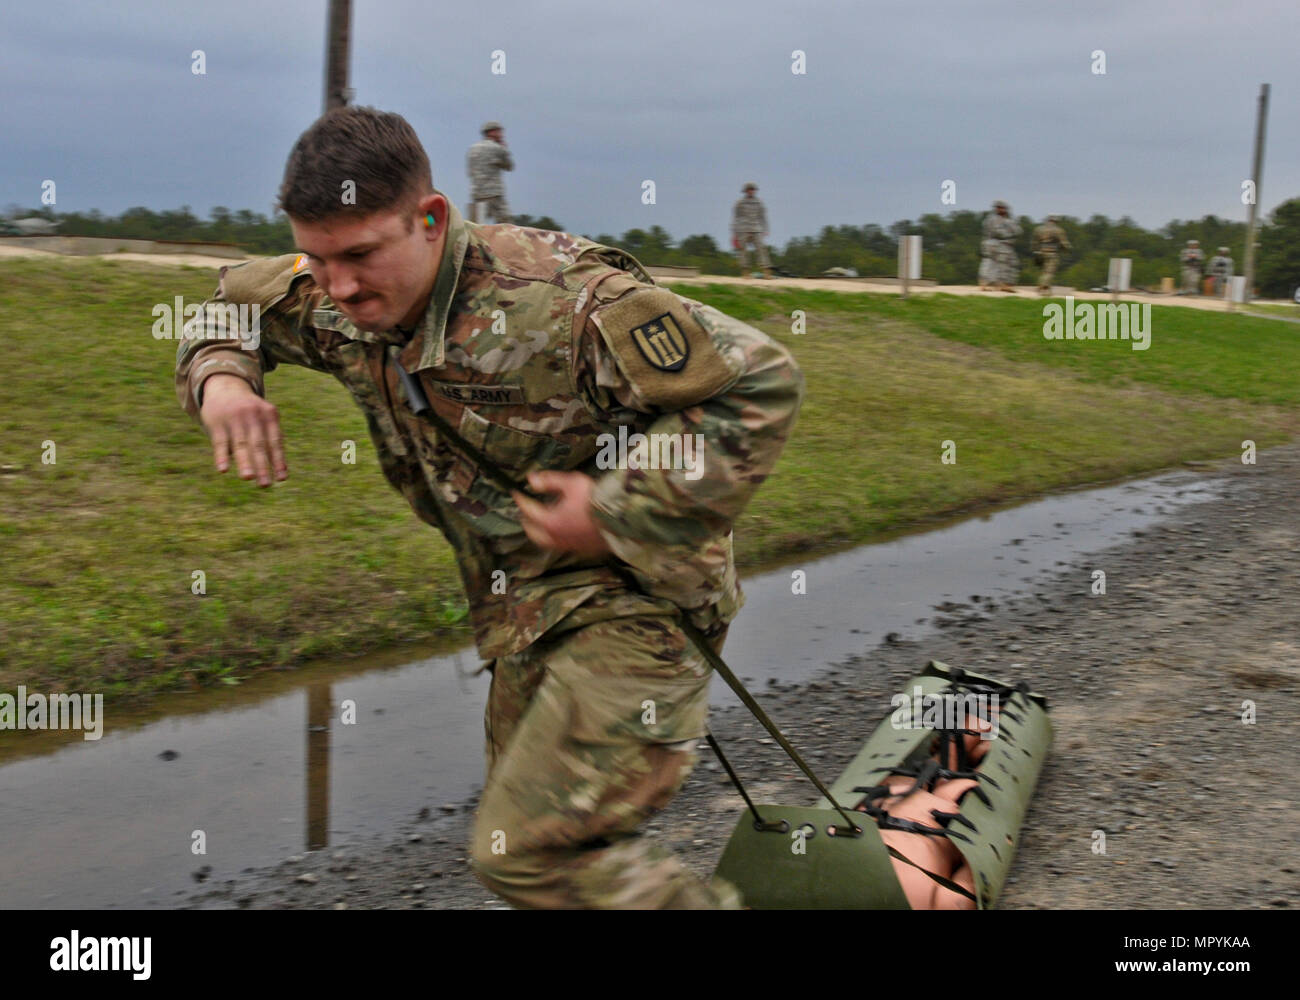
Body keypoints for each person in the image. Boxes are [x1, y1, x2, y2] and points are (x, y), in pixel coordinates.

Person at [173, 106, 804, 909]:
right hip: (524, 611)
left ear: (431, 219)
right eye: (319, 258)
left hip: (639, 602)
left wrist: (619, 509)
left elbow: (759, 381)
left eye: (362, 255)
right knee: (534, 849)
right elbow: (225, 303)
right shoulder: (333, 295)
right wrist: (223, 381)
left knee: (530, 855)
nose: (339, 287)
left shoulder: (564, 300)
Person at [466, 120, 513, 224]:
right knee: (506, 226)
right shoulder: (497, 148)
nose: (501, 135)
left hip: (477, 194)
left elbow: (469, 172)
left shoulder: (472, 149)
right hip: (495, 195)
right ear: (492, 132)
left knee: (475, 227)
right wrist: (505, 149)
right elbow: (509, 166)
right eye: (499, 132)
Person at [731, 183, 772, 279]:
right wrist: (734, 233)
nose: (751, 191)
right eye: (749, 189)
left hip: (756, 229)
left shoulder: (759, 203)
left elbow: (763, 217)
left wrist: (766, 229)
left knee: (761, 249)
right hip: (743, 229)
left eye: (753, 189)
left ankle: (766, 271)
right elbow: (735, 219)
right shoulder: (739, 203)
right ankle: (746, 272)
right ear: (745, 191)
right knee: (743, 251)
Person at [981, 200, 1021, 292]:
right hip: (995, 243)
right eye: (999, 208)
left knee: (1005, 265)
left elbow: (1018, 231)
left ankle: (1002, 284)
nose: (1001, 209)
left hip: (1001, 244)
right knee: (992, 264)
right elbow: (997, 232)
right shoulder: (993, 219)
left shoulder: (1007, 219)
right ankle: (987, 284)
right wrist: (1009, 235)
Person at [1031, 215, 1071, 295]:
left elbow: (1034, 242)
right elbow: (1064, 243)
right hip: (1052, 253)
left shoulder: (1039, 229)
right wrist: (1068, 249)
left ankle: (1045, 287)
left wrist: (1035, 251)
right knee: (1049, 272)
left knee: (1044, 271)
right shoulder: (1058, 230)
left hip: (1041, 252)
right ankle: (1043, 287)